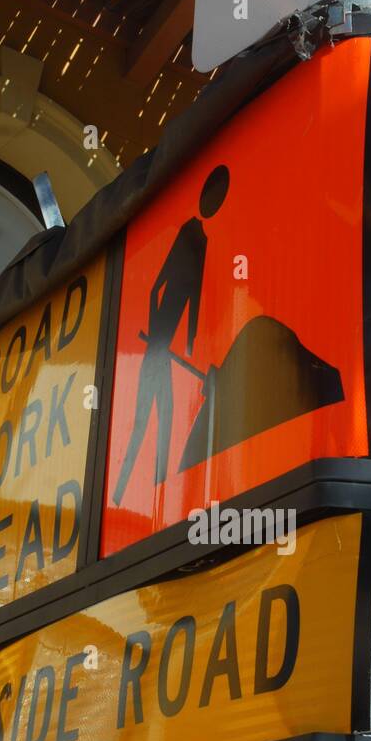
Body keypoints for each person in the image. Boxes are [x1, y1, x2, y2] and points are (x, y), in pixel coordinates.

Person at [112, 164, 230, 507]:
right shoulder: (187, 232)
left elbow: (193, 299)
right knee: (144, 423)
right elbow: (155, 287)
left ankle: (153, 500)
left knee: (166, 422)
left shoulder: (204, 241)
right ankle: (124, 497)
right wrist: (157, 335)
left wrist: (190, 344)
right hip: (155, 349)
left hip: (167, 349)